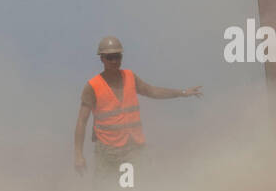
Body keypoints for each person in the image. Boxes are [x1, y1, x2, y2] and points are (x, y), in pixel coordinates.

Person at [74, 36, 202, 177]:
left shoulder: (130, 77)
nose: (114, 61)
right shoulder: (93, 86)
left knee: (137, 189)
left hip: (134, 147)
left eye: (117, 56)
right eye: (110, 58)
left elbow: (152, 91)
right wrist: (78, 155)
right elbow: (82, 121)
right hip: (107, 151)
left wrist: (182, 92)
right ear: (102, 59)